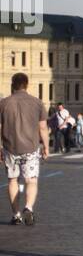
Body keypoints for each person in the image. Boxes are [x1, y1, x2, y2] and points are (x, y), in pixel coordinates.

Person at [1, 72, 49, 225]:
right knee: (31, 180)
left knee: (12, 180)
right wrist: (46, 146)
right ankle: (28, 207)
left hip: (10, 147)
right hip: (31, 147)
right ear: (27, 84)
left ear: (12, 85)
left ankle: (16, 214)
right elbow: (43, 128)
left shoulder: (3, 103)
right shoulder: (37, 102)